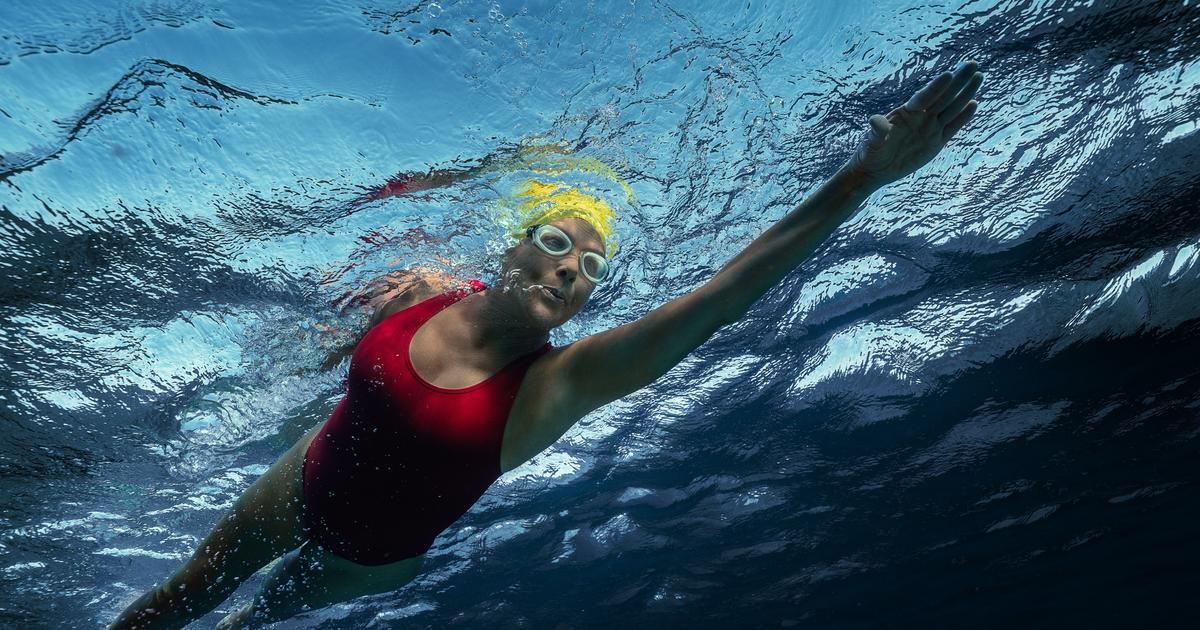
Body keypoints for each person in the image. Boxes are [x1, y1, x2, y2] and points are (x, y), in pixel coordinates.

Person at [109, 60, 983, 629]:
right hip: (300, 478)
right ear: (513, 244)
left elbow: (722, 296)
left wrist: (861, 178)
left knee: (244, 626)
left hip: (364, 558)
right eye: (559, 244)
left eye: (592, 269)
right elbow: (334, 353)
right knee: (186, 592)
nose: (573, 271)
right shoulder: (422, 290)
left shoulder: (558, 386)